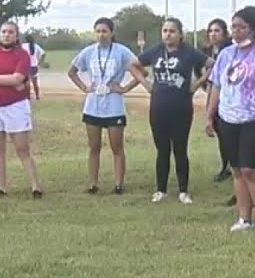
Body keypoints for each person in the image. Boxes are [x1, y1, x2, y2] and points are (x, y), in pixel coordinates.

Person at [206, 5, 255, 234]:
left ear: (253, 28)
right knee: (238, 170)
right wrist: (210, 116)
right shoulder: (226, 54)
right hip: (228, 119)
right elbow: (216, 86)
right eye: (233, 27)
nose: (236, 31)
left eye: (241, 27)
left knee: (251, 169)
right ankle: (244, 218)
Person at [130, 17, 207, 204]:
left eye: (172, 31)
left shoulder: (189, 52)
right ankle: (161, 190)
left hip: (181, 107)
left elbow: (213, 65)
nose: (168, 34)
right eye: (165, 31)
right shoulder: (156, 51)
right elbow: (132, 65)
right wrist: (146, 83)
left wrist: (197, 84)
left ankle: (183, 191)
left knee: (180, 149)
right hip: (159, 107)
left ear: (180, 34)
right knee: (162, 150)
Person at [68, 17, 138, 194]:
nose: (101, 35)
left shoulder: (122, 51)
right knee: (94, 147)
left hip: (114, 106)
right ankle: (93, 184)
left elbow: (141, 72)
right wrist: (84, 87)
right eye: (98, 31)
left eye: (105, 31)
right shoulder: (89, 51)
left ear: (111, 33)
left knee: (117, 147)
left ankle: (118, 184)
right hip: (93, 106)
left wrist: (124, 88)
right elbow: (72, 71)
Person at [0, 22, 42, 198]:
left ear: (16, 35)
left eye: (11, 32)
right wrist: (7, 81)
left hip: (15, 106)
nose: (7, 35)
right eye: (4, 31)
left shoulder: (22, 55)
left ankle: (35, 186)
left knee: (22, 148)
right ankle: (1, 187)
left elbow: (18, 79)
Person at [205, 18, 234, 183]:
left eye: (217, 31)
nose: (213, 34)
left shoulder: (229, 51)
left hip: (229, 99)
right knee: (221, 135)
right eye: (211, 31)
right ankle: (225, 166)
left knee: (229, 134)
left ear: (224, 33)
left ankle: (233, 165)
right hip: (214, 96)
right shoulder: (209, 51)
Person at [24, 34, 45, 100]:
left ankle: (28, 97)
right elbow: (43, 54)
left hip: (26, 66)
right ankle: (37, 96)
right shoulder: (36, 46)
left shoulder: (24, 46)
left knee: (27, 83)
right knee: (35, 83)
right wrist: (40, 63)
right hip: (34, 66)